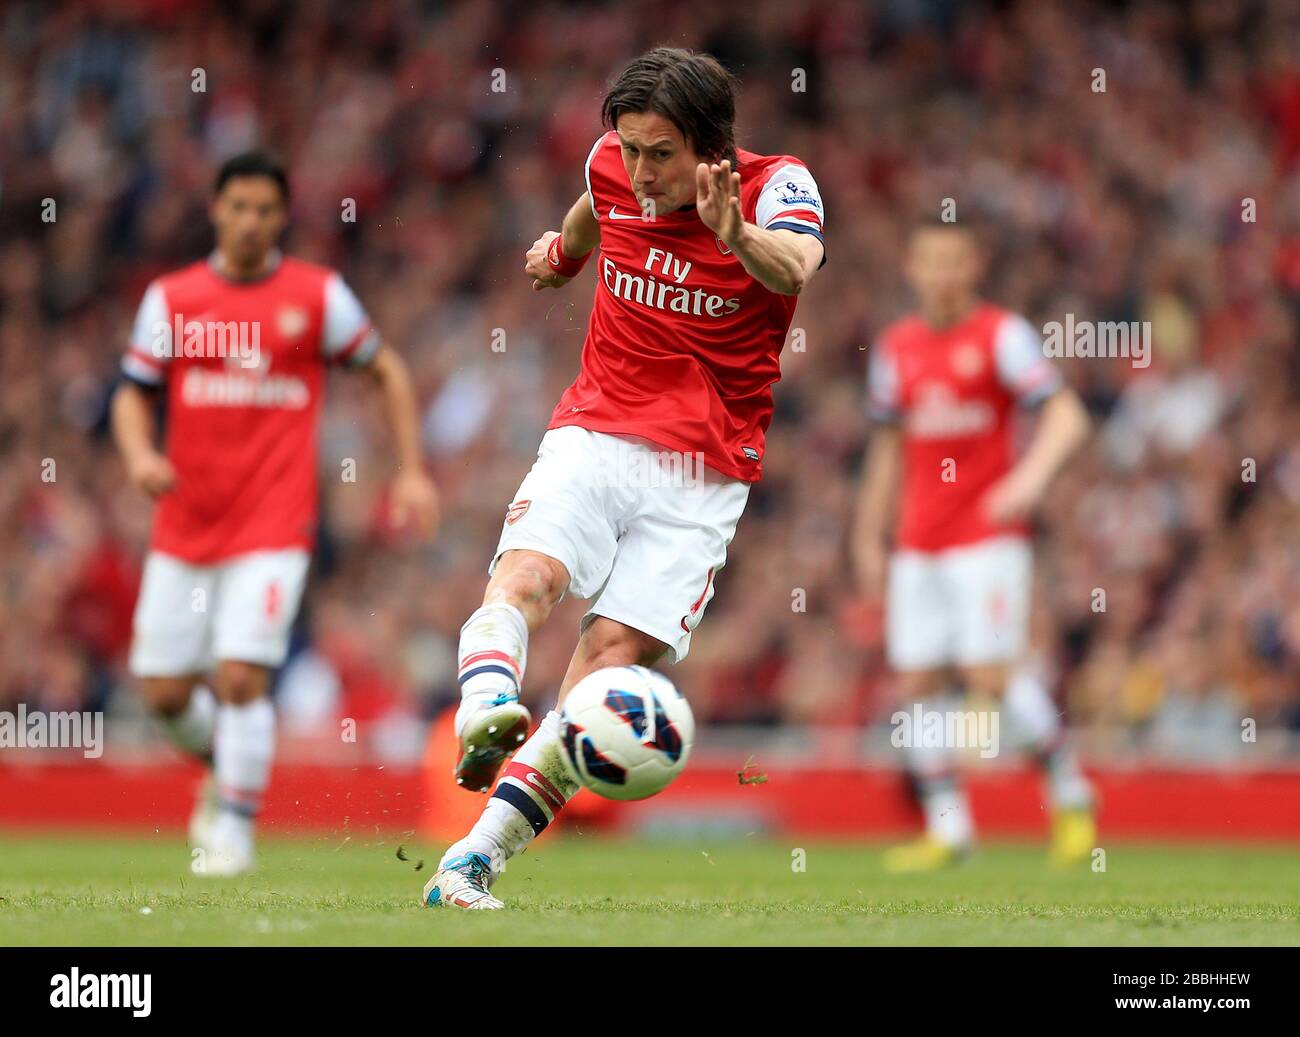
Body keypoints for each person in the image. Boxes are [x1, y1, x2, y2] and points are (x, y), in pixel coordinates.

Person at [424, 47, 826, 909]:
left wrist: (733, 235)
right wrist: (562, 256)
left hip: (705, 473)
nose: (641, 173)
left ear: (712, 147)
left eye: (662, 155)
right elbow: (594, 208)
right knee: (528, 576)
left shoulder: (781, 187)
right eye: (632, 149)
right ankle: (486, 704)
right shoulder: (613, 167)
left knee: (602, 672)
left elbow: (794, 270)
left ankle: (472, 860)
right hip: (598, 427)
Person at [111, 151, 439, 876]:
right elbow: (132, 391)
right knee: (165, 690)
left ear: (282, 216)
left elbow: (384, 368)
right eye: (239, 208)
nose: (251, 221)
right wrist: (139, 456)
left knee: (239, 677)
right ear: (216, 210)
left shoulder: (318, 297)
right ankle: (224, 764)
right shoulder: (174, 299)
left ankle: (232, 829)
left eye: (265, 209)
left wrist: (412, 471)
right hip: (186, 523)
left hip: (275, 523)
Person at [853, 216, 1096, 872]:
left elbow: (1067, 415)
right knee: (918, 681)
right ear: (912, 267)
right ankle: (949, 828)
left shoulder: (1002, 335)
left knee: (991, 674)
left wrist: (1028, 481)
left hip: (987, 535)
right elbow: (887, 446)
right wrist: (867, 534)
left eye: (953, 261)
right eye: (929, 261)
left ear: (974, 266)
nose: (941, 273)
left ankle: (1072, 794)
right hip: (917, 540)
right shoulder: (895, 348)